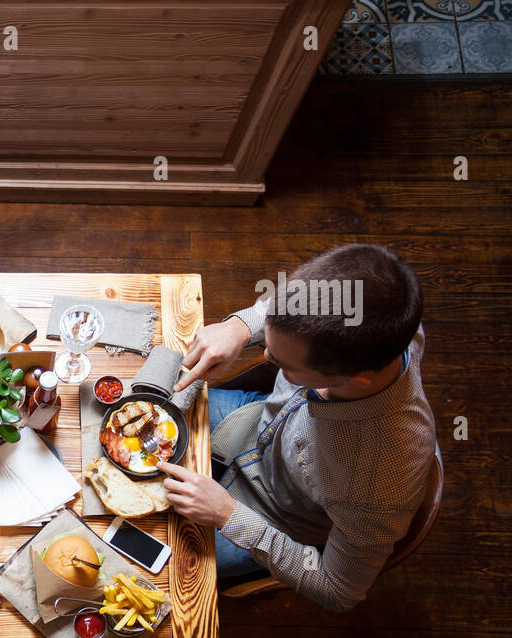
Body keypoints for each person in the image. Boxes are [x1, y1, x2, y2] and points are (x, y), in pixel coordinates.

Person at [156, 243, 437, 612]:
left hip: (270, 515)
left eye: (280, 362)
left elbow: (339, 590)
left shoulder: (379, 482)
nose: (263, 356)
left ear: (355, 379)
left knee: (147, 562)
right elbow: (282, 306)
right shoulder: (379, 300)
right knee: (143, 405)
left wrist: (229, 515)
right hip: (253, 423)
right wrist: (240, 328)